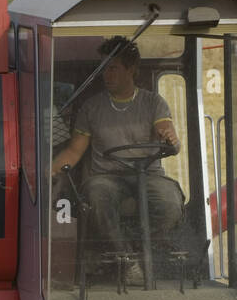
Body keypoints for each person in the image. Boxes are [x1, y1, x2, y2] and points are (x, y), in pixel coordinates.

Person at [51, 37, 184, 287]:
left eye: (113, 68)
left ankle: (133, 246)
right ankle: (129, 262)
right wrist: (47, 172)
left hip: (149, 174)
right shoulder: (92, 108)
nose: (106, 74)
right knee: (96, 193)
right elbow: (74, 151)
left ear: (131, 69)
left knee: (170, 203)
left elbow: (166, 131)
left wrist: (170, 138)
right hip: (108, 177)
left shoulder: (153, 102)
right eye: (103, 68)